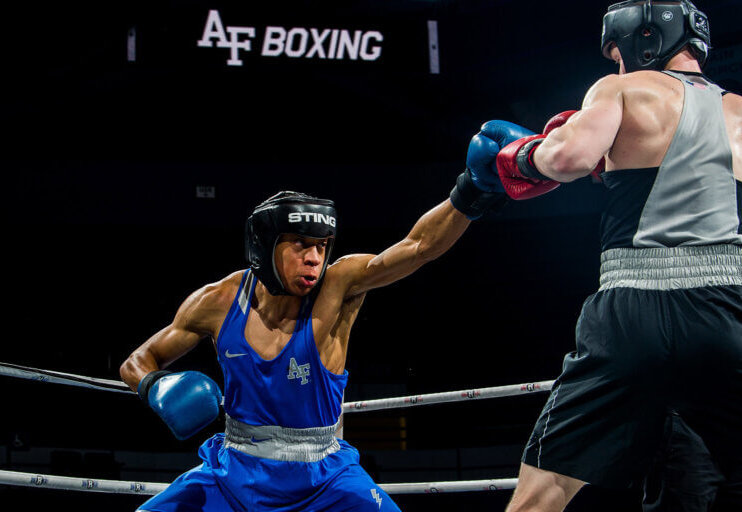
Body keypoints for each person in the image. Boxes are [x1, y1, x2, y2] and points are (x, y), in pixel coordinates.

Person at [118, 121, 553, 511]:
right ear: (264, 247)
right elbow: (137, 361)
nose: (314, 259)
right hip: (230, 474)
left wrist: (470, 192)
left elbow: (418, 247)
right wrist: (156, 386)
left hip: (325, 479)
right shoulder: (217, 300)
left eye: (322, 246)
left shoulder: (338, 285)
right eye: (299, 245)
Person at [487, 1, 742, 511]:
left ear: (645, 40)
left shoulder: (622, 89)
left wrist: (522, 154)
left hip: (632, 313)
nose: (617, 66)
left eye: (619, 54)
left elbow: (567, 159)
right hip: (731, 317)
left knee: (543, 493)